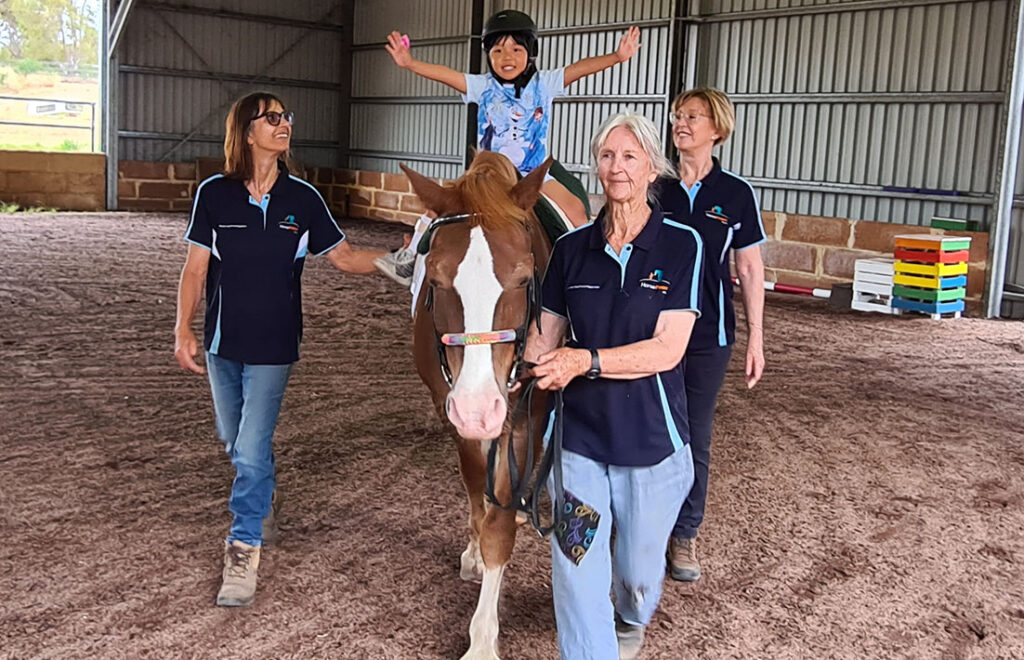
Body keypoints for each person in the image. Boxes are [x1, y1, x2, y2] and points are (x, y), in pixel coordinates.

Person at [174, 91, 398, 607]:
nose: (283, 124)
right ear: (247, 131)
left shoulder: (304, 199)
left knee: (251, 448)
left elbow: (344, 259)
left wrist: (400, 257)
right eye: (271, 118)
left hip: (275, 345)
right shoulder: (214, 194)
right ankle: (262, 489)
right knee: (234, 442)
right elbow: (195, 269)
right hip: (221, 342)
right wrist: (182, 328)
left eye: (286, 117)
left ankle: (244, 545)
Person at [525, 111, 704, 660]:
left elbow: (667, 349)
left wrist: (584, 361)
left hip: (652, 443)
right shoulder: (572, 249)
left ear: (652, 168)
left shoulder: (681, 246)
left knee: (638, 575)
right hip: (579, 443)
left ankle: (630, 614)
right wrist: (512, 355)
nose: (616, 167)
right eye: (607, 156)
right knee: (577, 563)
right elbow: (545, 336)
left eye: (629, 157)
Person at [375, 9, 641, 286]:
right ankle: (409, 257)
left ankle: (583, 275)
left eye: (516, 49)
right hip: (490, 177)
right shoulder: (482, 86)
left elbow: (579, 69)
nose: (507, 57)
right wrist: (410, 64)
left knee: (575, 210)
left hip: (531, 173)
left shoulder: (544, 84)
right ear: (489, 56)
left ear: (530, 53)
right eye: (498, 51)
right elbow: (446, 75)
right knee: (438, 209)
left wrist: (616, 58)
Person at [651, 87, 766, 583]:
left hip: (708, 334)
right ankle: (642, 527)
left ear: (717, 129)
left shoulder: (735, 194)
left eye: (692, 116)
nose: (682, 123)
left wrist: (757, 337)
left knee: (694, 433)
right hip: (651, 328)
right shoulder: (654, 185)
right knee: (648, 422)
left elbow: (750, 268)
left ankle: (685, 532)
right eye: (678, 116)